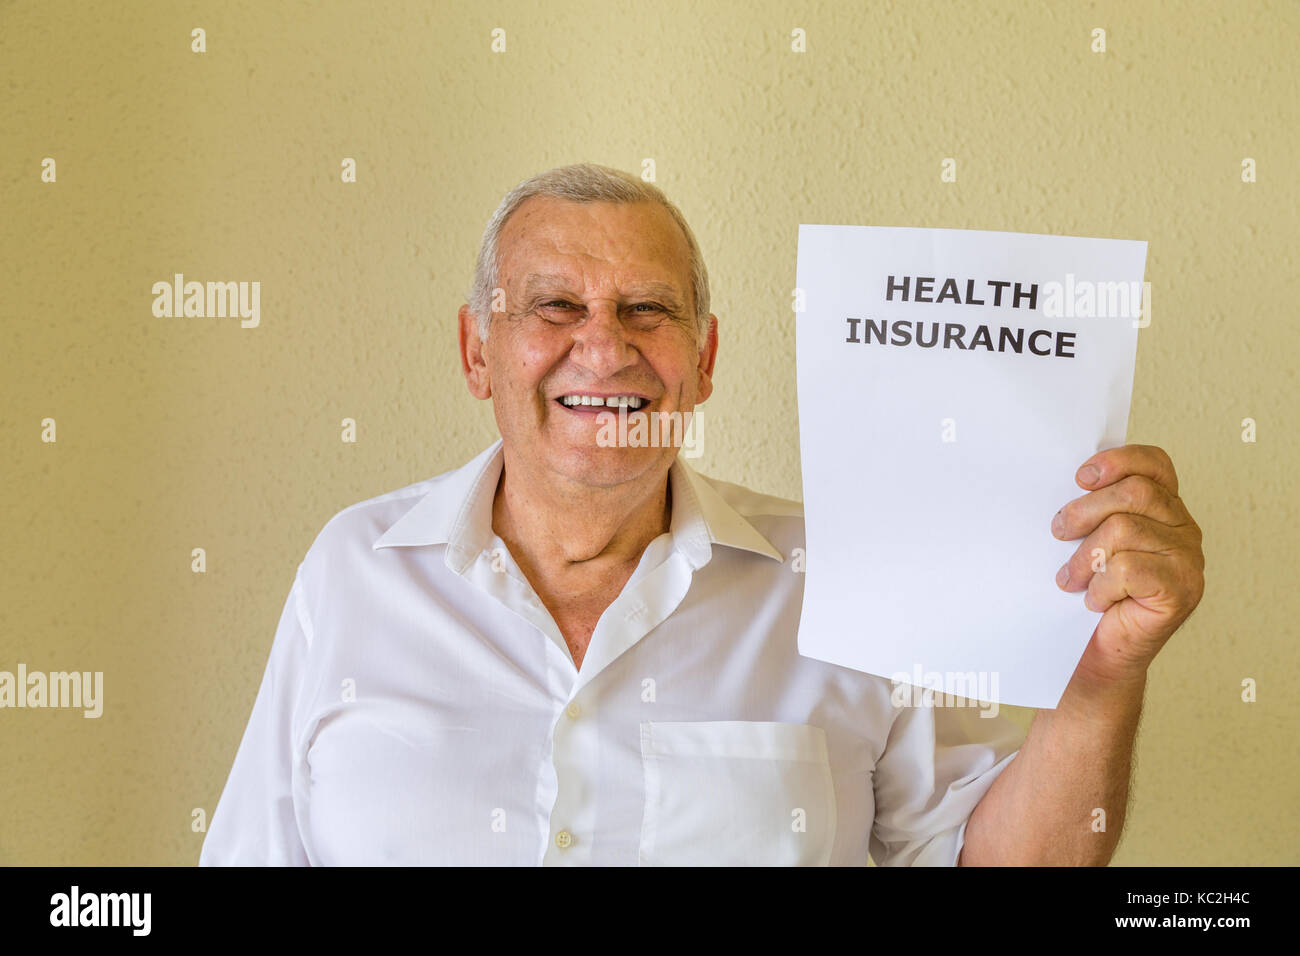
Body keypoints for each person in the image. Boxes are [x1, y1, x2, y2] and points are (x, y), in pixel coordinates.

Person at [199, 163, 1204, 866]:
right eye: (554, 307)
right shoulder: (353, 570)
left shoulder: (845, 575)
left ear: (705, 358)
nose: (604, 348)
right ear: (475, 352)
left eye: (648, 309)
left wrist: (1103, 675)